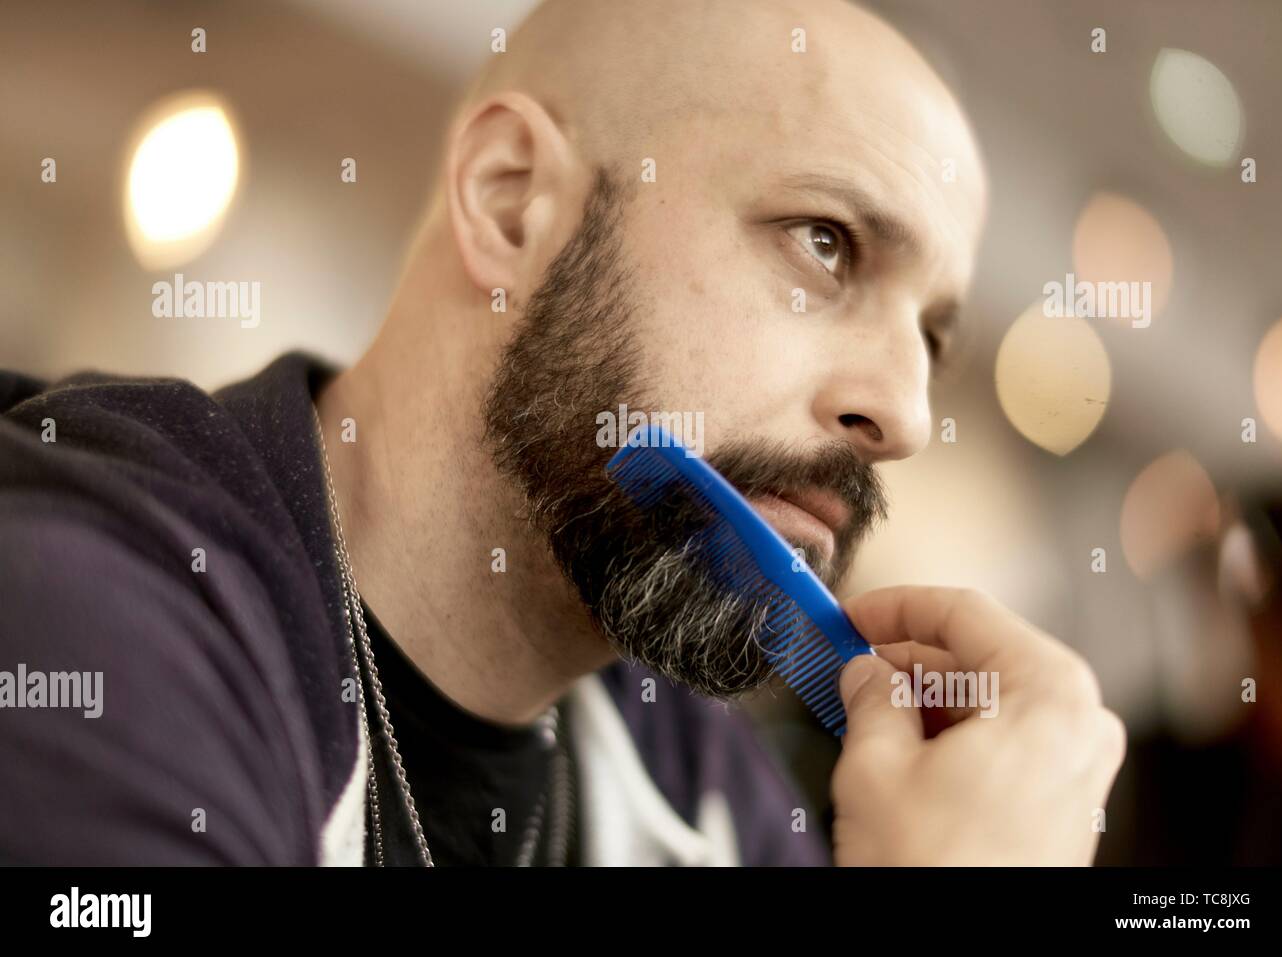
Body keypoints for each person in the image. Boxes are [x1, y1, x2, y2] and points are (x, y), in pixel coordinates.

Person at [0, 0, 1124, 866]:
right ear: (510, 202)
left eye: (930, 335)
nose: (908, 416)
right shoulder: (87, 612)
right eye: (824, 242)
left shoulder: (709, 786)